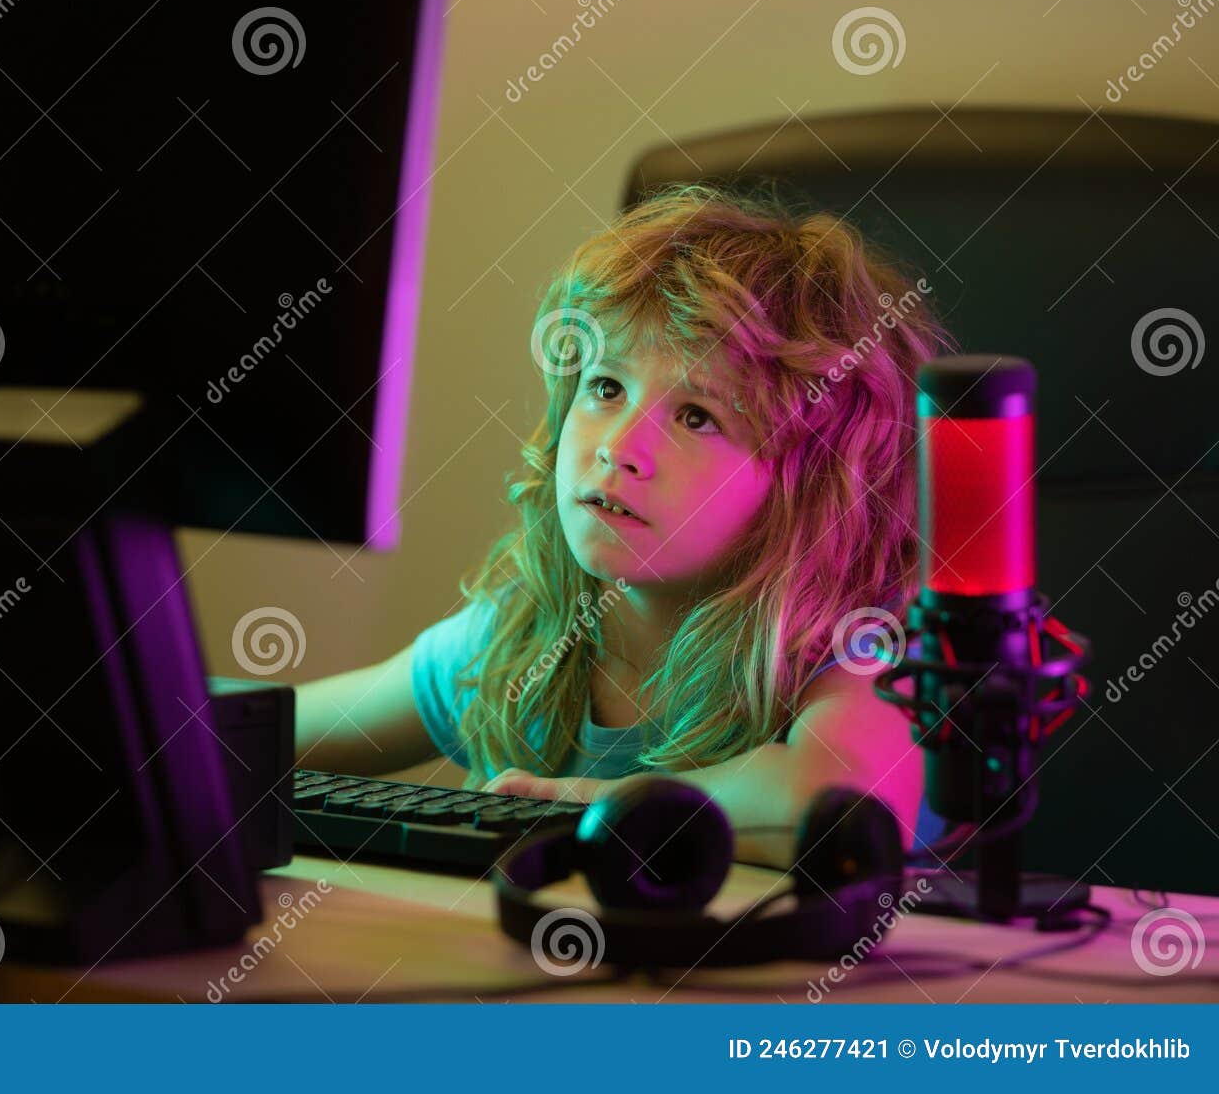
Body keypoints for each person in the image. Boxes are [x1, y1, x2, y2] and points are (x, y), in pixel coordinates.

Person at [293, 182, 950, 867]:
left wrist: (587, 803)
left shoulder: (857, 643)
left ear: (812, 487)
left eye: (696, 416)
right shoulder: (522, 642)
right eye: (606, 387)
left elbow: (841, 803)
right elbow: (258, 736)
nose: (619, 447)